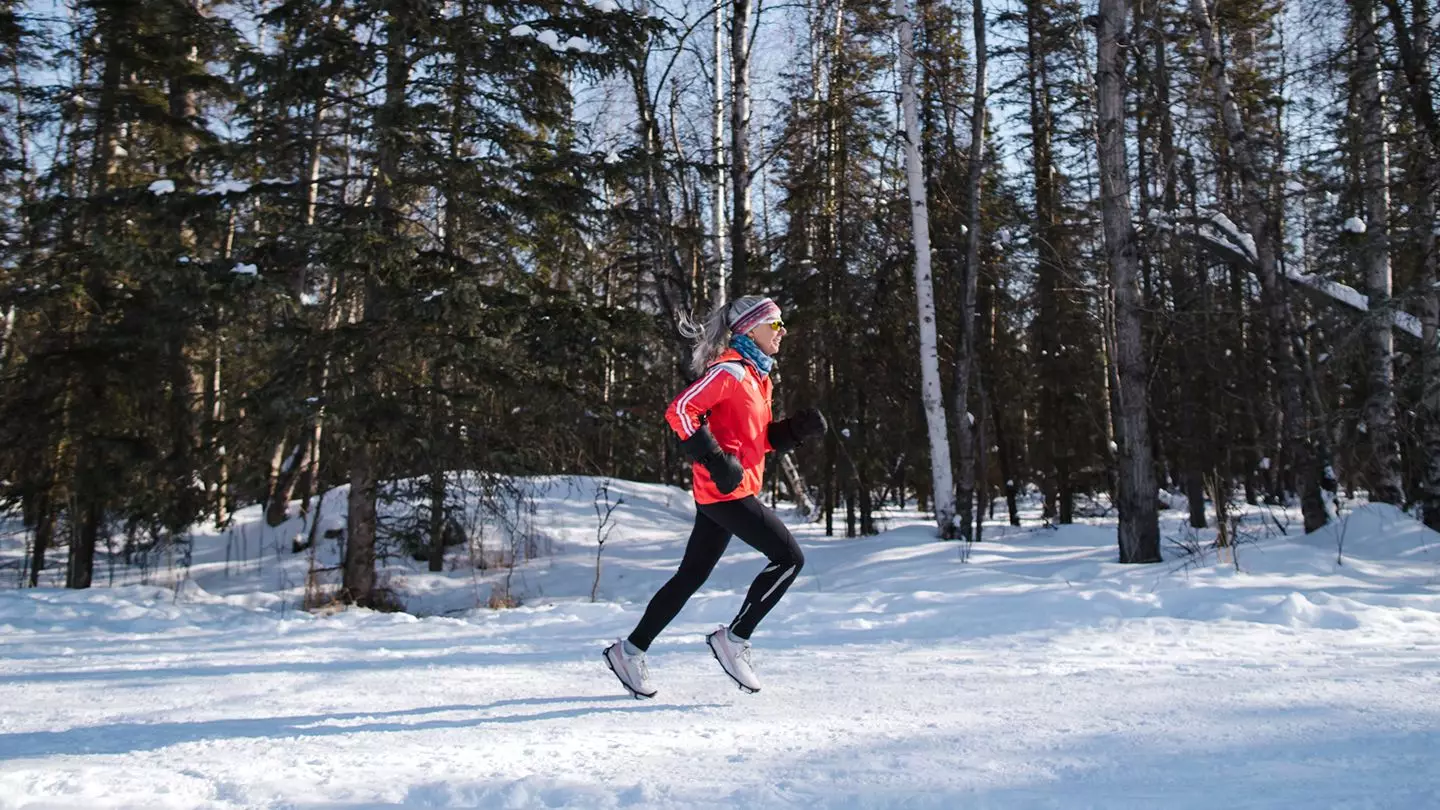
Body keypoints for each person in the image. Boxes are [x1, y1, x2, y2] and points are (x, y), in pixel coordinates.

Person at [604, 296, 826, 698]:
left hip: (728, 490)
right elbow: (681, 410)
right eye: (775, 325)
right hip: (725, 492)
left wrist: (794, 431)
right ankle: (735, 638)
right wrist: (714, 460)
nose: (783, 332)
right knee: (790, 559)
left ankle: (630, 650)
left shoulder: (759, 378)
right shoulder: (729, 371)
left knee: (691, 576)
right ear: (751, 329)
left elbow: (755, 440)